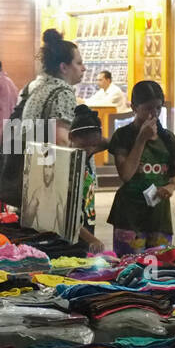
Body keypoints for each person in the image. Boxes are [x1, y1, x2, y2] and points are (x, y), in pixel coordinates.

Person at [1, 29, 85, 206]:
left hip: (31, 178)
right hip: (48, 183)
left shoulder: (37, 87)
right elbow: (60, 142)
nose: (83, 68)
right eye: (78, 63)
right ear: (64, 67)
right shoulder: (63, 92)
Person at [107, 80, 175, 255]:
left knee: (156, 270)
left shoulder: (168, 138)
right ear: (134, 107)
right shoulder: (123, 136)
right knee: (128, 270)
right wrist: (141, 139)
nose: (154, 114)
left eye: (158, 108)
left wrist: (170, 186)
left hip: (159, 217)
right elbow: (126, 174)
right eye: (148, 108)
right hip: (129, 216)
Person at [69, 105, 108, 254]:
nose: (91, 150)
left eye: (94, 145)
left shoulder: (85, 154)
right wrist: (92, 239)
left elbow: (107, 142)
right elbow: (66, 216)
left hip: (87, 230)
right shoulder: (68, 166)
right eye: (85, 145)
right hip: (72, 239)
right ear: (70, 137)